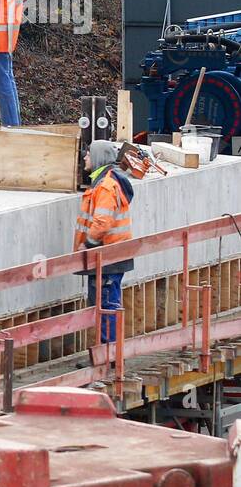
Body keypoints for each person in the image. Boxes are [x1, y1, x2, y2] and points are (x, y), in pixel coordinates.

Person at [74, 139, 135, 344]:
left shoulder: (106, 186)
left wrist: (89, 243)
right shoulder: (103, 182)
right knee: (104, 304)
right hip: (111, 256)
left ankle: (109, 355)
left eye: (89, 154)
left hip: (108, 257)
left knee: (106, 304)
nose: (85, 157)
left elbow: (102, 221)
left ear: (99, 158)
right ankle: (107, 353)